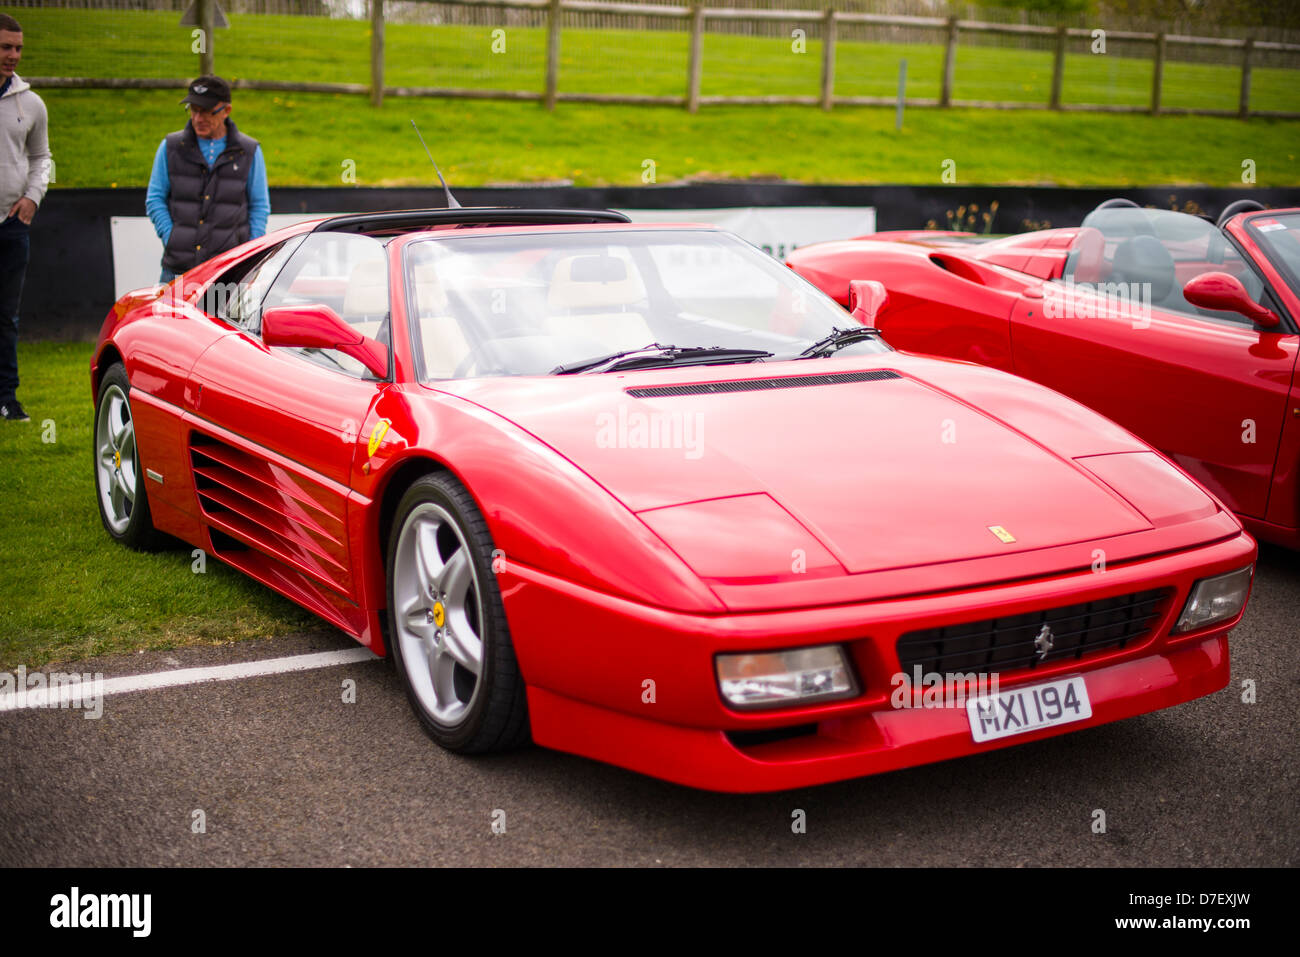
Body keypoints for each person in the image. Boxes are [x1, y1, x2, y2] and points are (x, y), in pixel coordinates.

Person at [146, 75, 269, 284]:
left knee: (223, 319)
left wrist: (248, 254)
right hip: (177, 271)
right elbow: (155, 199)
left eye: (206, 111)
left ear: (226, 110)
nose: (198, 118)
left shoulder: (249, 151)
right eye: (193, 110)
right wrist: (172, 238)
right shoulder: (170, 146)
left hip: (230, 273)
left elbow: (259, 207)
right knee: (172, 318)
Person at [0, 13, 51, 423]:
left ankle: (7, 400)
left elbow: (40, 158)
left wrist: (33, 197)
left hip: (12, 226)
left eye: (18, 48)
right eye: (5, 47)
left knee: (6, 316)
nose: (13, 55)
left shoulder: (31, 103)